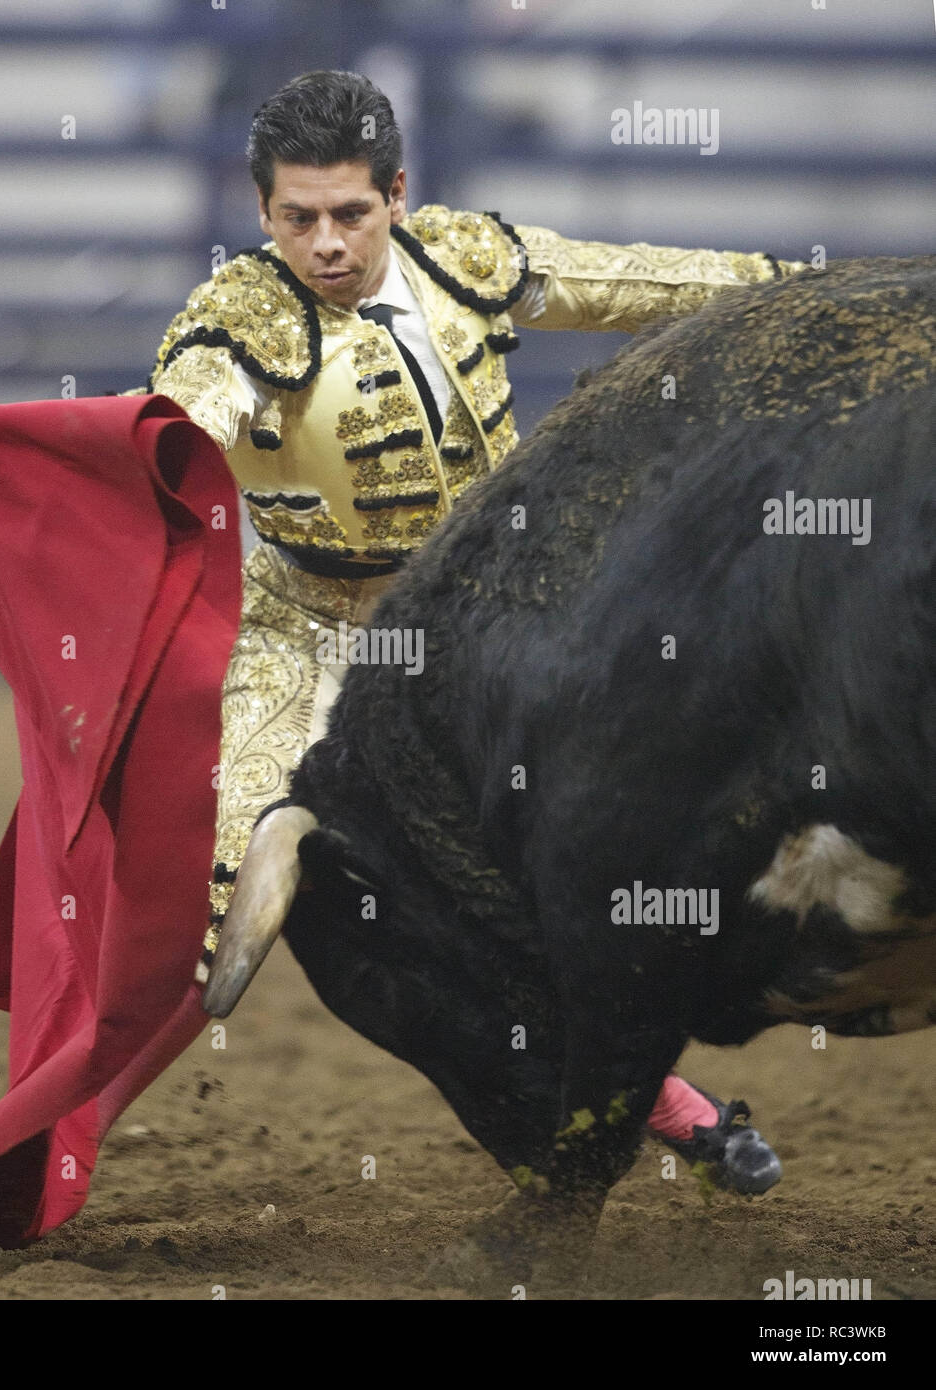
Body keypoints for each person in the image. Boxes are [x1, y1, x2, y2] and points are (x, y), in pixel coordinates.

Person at [147, 69, 803, 1195]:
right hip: (316, 638)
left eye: (350, 213)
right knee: (226, 898)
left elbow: (641, 283)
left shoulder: (464, 259)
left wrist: (795, 295)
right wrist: (170, 439)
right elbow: (187, 412)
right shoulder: (236, 318)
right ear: (260, 216)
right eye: (297, 219)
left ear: (396, 193)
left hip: (505, 615)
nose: (327, 244)